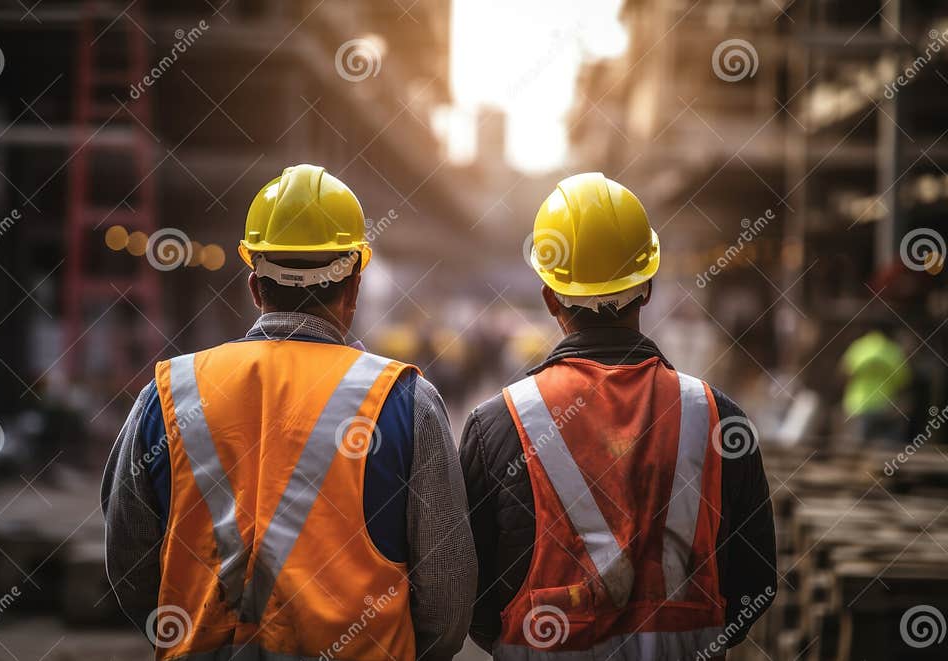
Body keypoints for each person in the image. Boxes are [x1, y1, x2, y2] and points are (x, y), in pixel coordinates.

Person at [102, 164, 476, 660]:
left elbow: (129, 561)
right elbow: (447, 599)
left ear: (255, 287)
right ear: (353, 289)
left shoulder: (169, 393)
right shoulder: (405, 402)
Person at [459, 173, 776, 659]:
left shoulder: (497, 424)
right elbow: (755, 585)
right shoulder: (718, 419)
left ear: (549, 297)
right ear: (646, 288)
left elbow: (468, 598)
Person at [840, 328, 911, 445]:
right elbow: (904, 382)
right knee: (883, 447)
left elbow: (844, 372)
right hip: (884, 406)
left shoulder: (858, 347)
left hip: (858, 405)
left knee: (856, 448)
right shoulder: (893, 351)